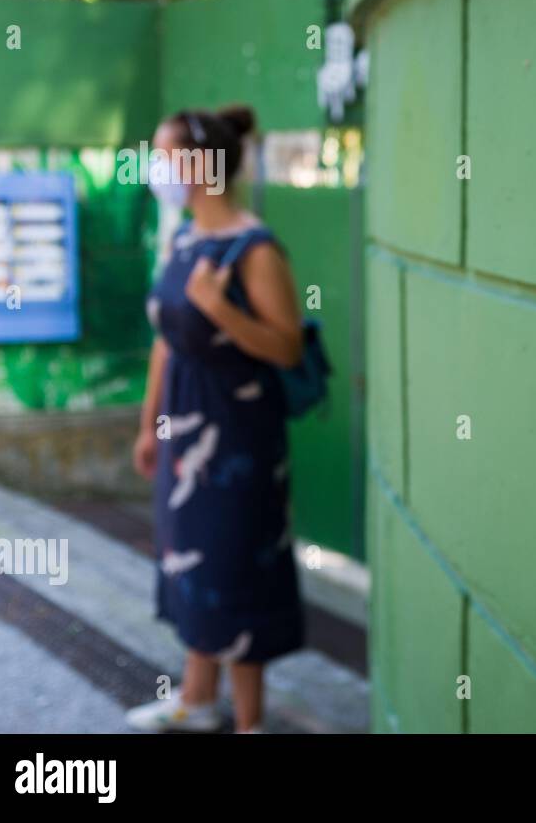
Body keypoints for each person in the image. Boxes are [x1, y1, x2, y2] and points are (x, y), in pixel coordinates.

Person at [126, 105, 305, 734]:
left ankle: (250, 724)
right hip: (184, 427)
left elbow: (286, 346)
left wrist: (217, 307)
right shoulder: (182, 238)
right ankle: (197, 700)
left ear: (199, 165)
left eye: (163, 154)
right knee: (190, 562)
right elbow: (166, 341)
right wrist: (151, 424)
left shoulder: (253, 248)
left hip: (239, 439)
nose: (154, 167)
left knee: (236, 563)